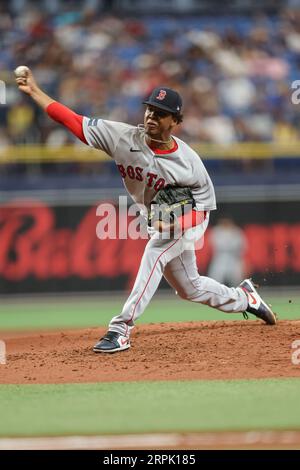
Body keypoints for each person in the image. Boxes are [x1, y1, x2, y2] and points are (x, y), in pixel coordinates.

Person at [15, 68, 277, 354]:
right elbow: (74, 122)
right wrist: (36, 92)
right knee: (190, 288)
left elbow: (202, 210)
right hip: (160, 217)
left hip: (189, 219)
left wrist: (173, 226)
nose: (151, 115)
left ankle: (121, 328)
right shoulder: (123, 138)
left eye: (160, 112)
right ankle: (245, 298)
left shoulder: (189, 163)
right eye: (149, 109)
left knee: (155, 251)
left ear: (175, 121)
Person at [208, 217, 247, 287]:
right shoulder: (216, 230)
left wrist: (240, 259)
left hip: (233, 257)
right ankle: (214, 295)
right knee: (215, 278)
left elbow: (243, 246)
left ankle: (238, 295)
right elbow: (214, 244)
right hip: (220, 257)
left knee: (236, 279)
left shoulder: (237, 231)